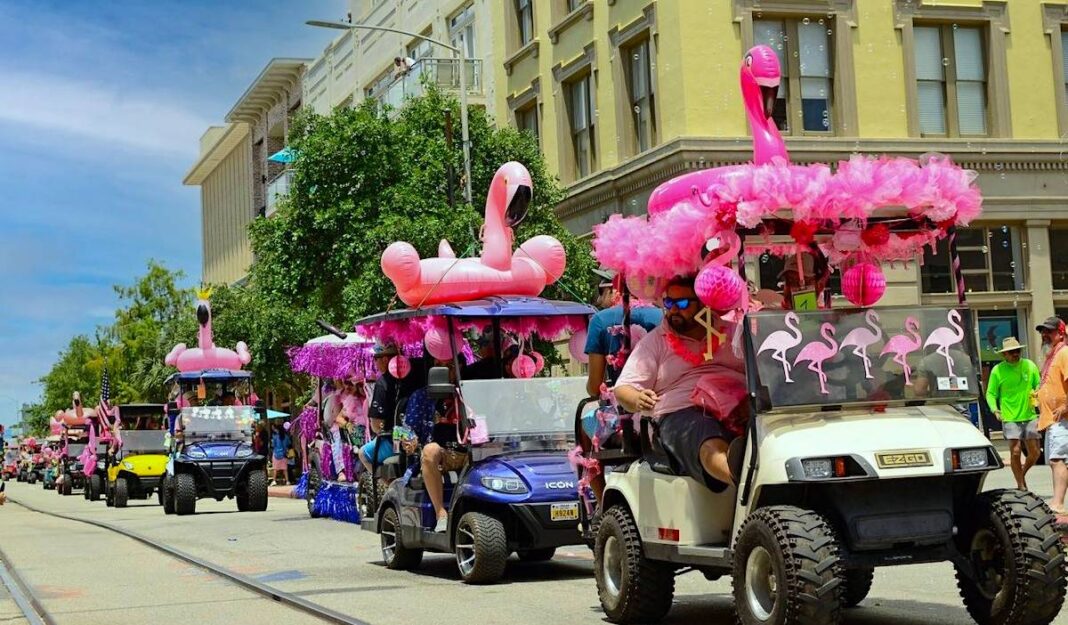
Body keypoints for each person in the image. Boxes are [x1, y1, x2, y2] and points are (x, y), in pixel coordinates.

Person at [614, 275, 747, 491]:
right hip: (682, 412)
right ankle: (745, 482)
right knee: (706, 436)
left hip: (738, 405)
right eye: (668, 303)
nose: (673, 310)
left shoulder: (734, 332)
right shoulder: (656, 340)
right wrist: (638, 398)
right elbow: (623, 388)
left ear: (704, 304)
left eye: (682, 303)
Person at [581, 271, 662, 503]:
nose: (600, 298)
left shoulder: (601, 320)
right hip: (661, 407)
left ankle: (600, 503)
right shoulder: (661, 315)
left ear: (614, 289)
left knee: (583, 425)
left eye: (602, 291)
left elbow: (594, 386)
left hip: (622, 417)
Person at [401, 359, 467, 532]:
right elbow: (406, 430)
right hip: (441, 455)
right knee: (431, 450)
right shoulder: (421, 396)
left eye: (453, 365)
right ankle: (441, 513)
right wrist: (408, 441)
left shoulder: (468, 393)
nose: (448, 370)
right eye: (443, 366)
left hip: (470, 452)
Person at [985, 337, 1041, 490]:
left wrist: (1038, 392)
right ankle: (1021, 485)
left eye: (1018, 351)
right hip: (1009, 416)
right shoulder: (998, 370)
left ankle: (1021, 474)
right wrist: (994, 409)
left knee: (1035, 453)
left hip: (1029, 414)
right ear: (1004, 355)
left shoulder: (1030, 365)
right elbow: (990, 393)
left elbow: (1039, 384)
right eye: (1011, 352)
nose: (1016, 354)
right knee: (1015, 451)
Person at [1036, 317, 1068, 513]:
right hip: (1051, 419)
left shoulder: (1064, 353)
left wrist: (1065, 406)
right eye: (1042, 331)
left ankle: (1057, 502)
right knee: (1056, 460)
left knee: (1058, 460)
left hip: (1061, 419)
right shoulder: (1053, 355)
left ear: (1061, 332)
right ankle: (1058, 501)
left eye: (1049, 331)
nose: (1044, 335)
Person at [359, 343, 402, 473]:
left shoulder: (383, 382)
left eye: (375, 359)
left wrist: (377, 430)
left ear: (385, 359)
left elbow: (377, 424)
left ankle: (387, 487)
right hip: (410, 437)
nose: (375, 363)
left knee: (362, 453)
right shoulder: (410, 378)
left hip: (395, 442)